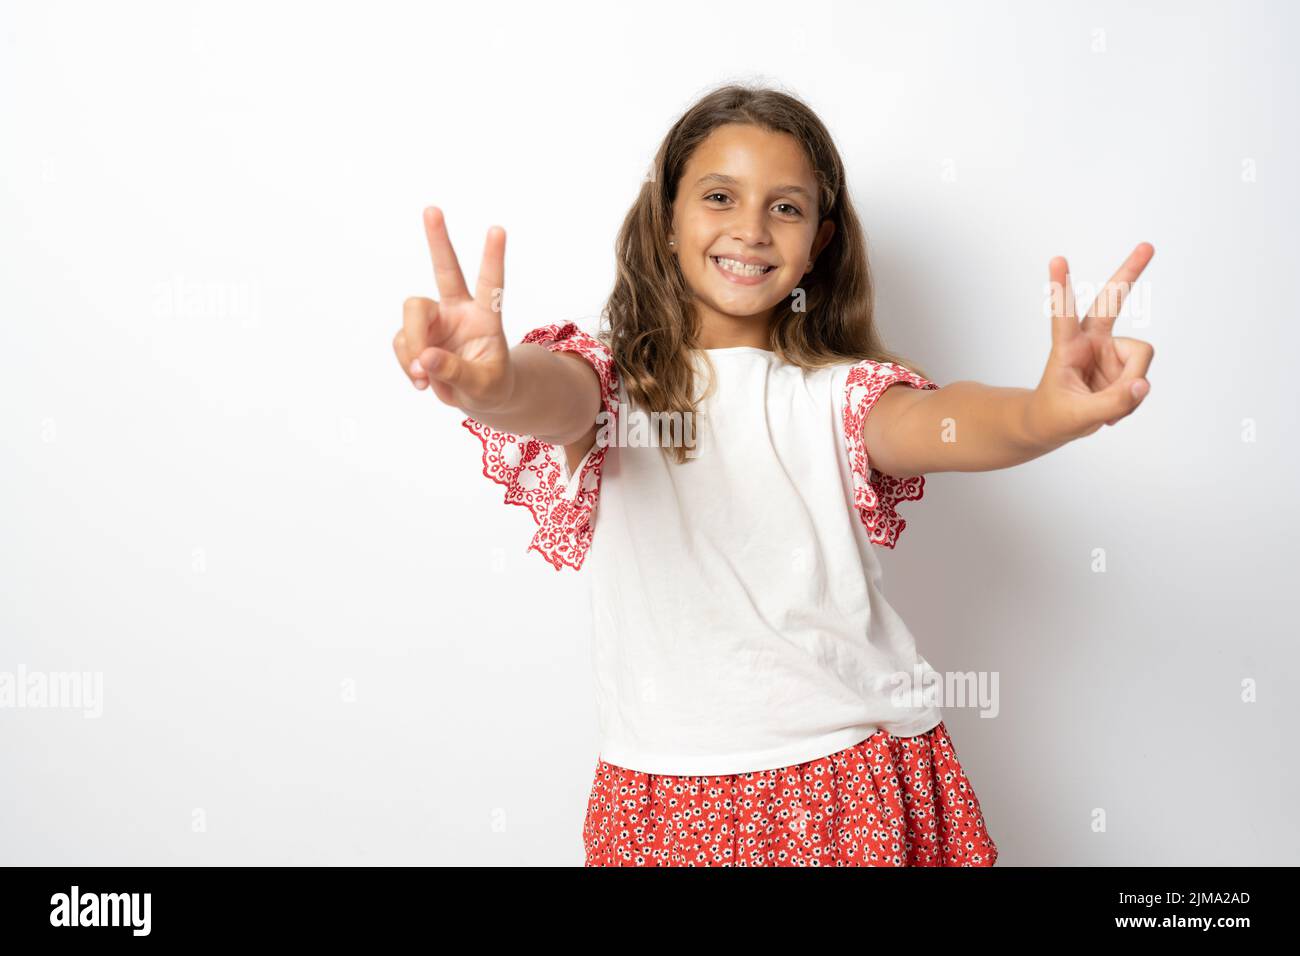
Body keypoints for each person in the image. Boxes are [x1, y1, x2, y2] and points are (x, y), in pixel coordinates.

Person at [392, 83, 1154, 866]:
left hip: (845, 784)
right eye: (720, 196)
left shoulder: (837, 397)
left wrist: (1044, 413)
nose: (750, 230)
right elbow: (547, 393)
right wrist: (492, 384)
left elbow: (943, 422)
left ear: (820, 242)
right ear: (666, 217)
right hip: (662, 790)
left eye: (785, 207)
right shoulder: (613, 388)